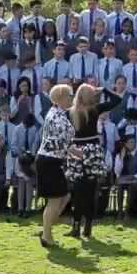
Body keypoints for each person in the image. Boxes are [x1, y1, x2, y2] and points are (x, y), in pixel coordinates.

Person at [66, 83, 122, 238]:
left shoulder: (69, 113)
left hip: (77, 151)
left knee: (77, 192)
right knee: (90, 191)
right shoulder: (95, 109)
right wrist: (104, 89)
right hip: (92, 150)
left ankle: (76, 226)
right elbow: (117, 100)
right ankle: (88, 227)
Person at [35, 84, 78, 247]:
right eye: (69, 95)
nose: (72, 98)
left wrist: (71, 151)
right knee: (55, 200)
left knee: (64, 196)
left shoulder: (57, 113)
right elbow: (61, 142)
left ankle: (46, 229)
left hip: (52, 160)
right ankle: (46, 236)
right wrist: (74, 151)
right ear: (60, 98)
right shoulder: (57, 117)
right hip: (49, 162)